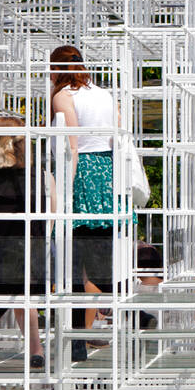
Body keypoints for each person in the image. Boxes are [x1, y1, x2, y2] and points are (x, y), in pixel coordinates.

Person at [49, 45, 117, 361]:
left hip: (83, 175)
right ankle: (88, 334)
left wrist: (63, 192)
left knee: (73, 264)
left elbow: (71, 146)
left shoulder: (64, 96)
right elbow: (118, 137)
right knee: (101, 262)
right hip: (109, 175)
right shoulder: (105, 95)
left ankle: (76, 341)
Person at [0, 116, 55, 371]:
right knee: (24, 287)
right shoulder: (44, 178)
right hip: (35, 262)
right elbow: (50, 223)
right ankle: (35, 349)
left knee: (17, 282)